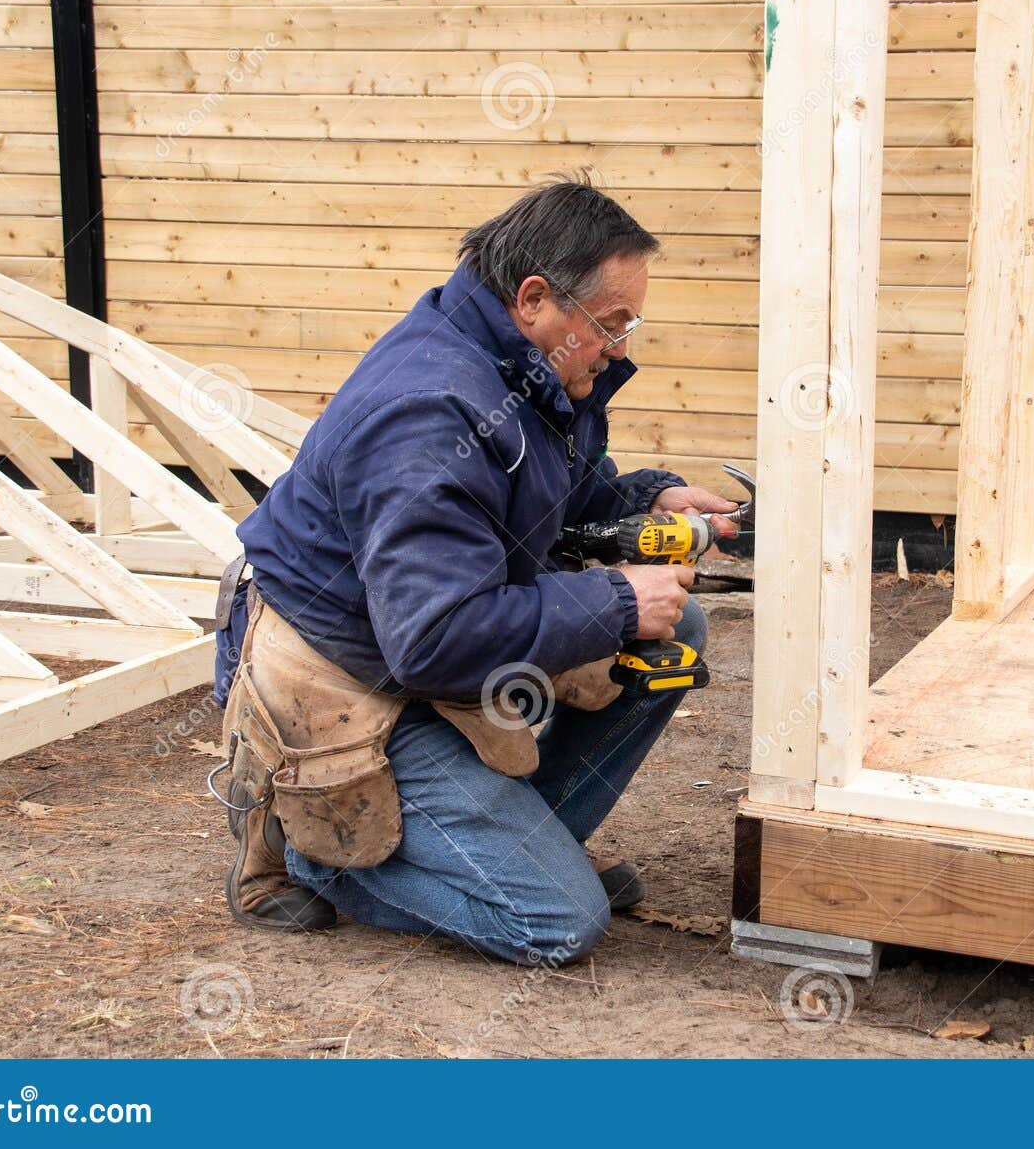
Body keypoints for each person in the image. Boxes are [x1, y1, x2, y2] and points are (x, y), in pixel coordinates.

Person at [211, 175, 738, 965]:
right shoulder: (427, 410)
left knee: (677, 630)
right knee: (557, 921)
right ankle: (317, 850)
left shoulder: (518, 365)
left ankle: (517, 846)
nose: (623, 345)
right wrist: (616, 602)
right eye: (613, 323)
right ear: (534, 300)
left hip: (411, 652)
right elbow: (435, 635)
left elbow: (542, 487)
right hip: (349, 678)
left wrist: (645, 496)